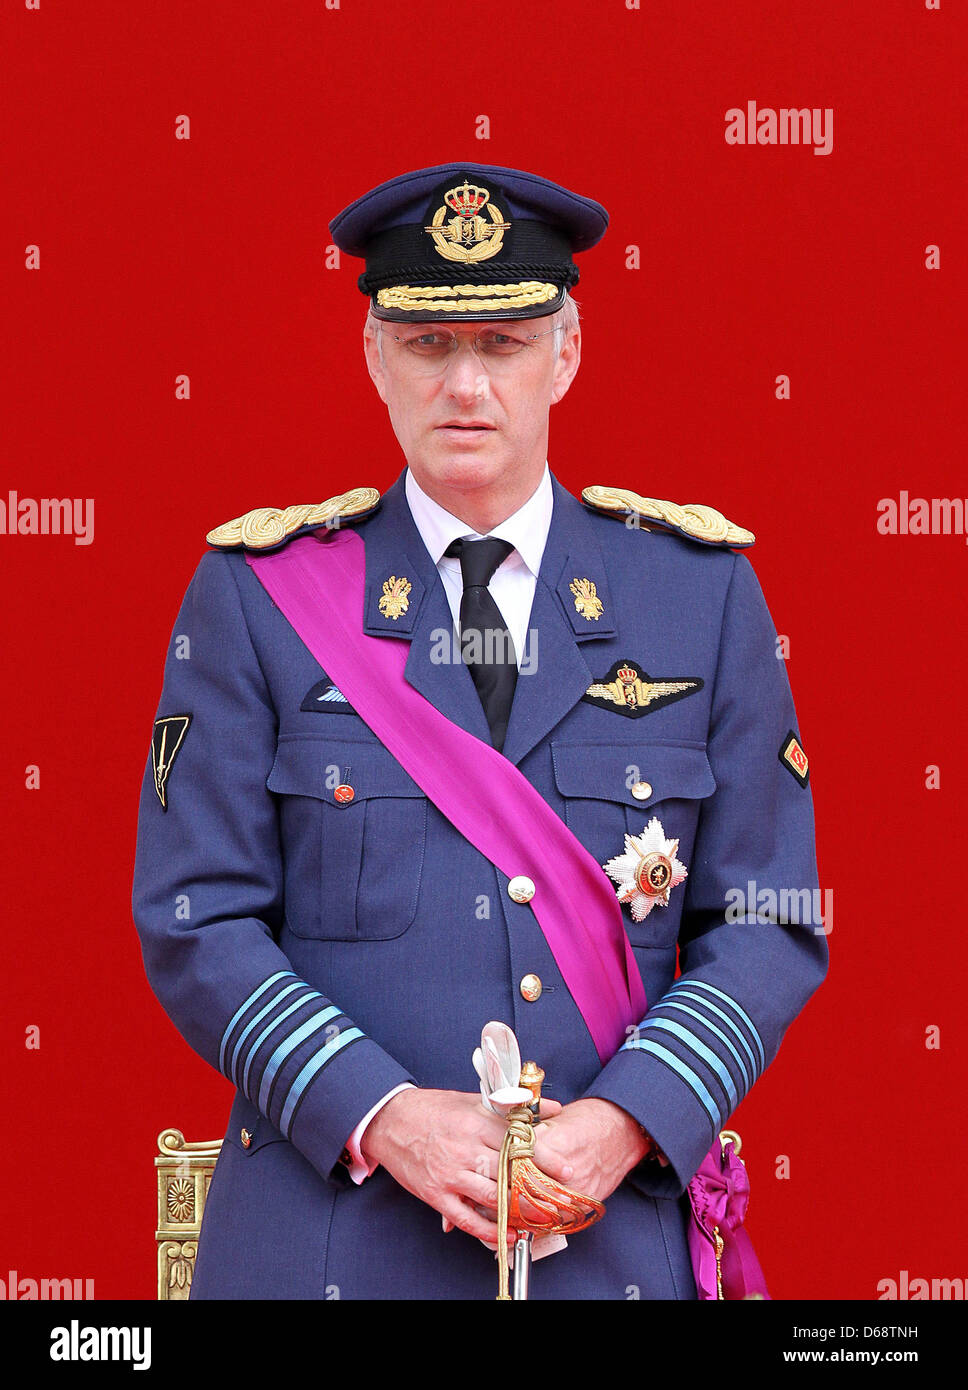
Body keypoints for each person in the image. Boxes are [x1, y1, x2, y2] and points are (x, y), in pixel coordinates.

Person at [132, 161, 827, 1300]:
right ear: (373, 357)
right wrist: (382, 1112)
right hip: (331, 1244)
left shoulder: (697, 596)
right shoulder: (255, 598)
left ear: (566, 353)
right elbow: (193, 914)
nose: (465, 386)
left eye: (504, 344)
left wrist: (624, 1118)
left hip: (606, 1241)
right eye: (425, 346)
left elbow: (768, 915)